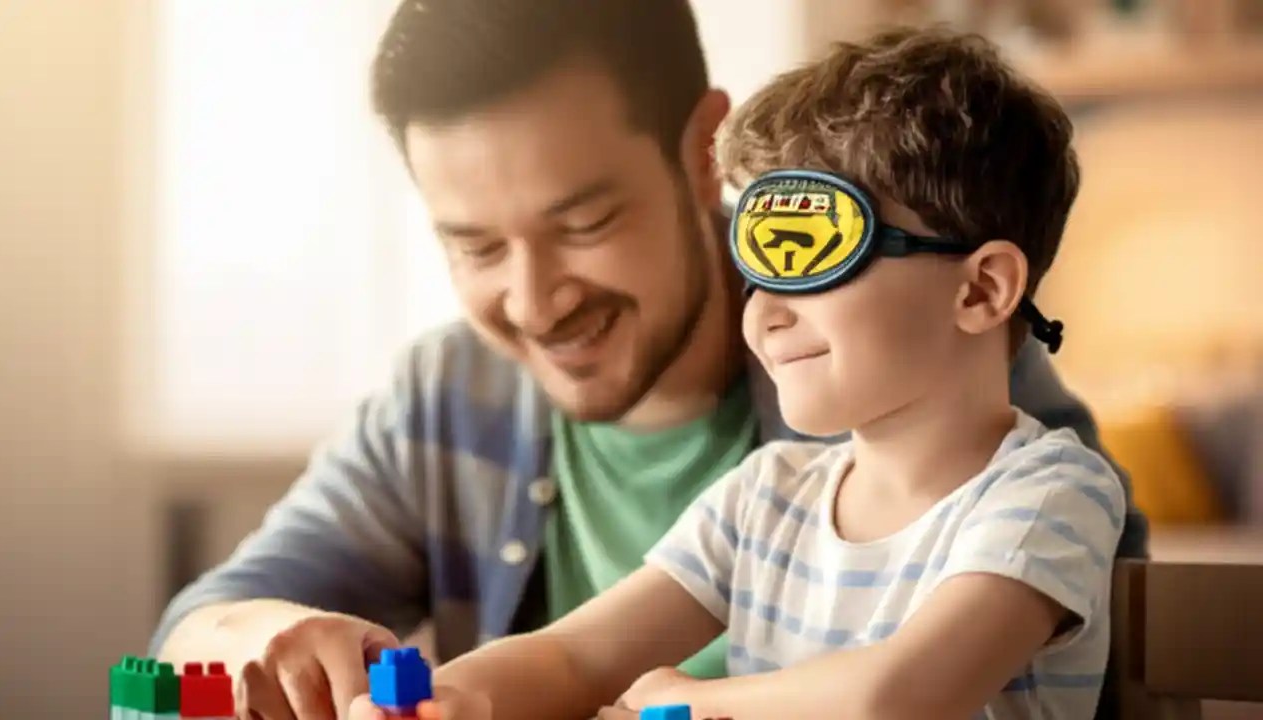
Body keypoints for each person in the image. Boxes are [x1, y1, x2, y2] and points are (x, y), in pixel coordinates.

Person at [151, 2, 1147, 718]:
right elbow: (573, 655)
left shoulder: (1024, 466)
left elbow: (904, 692)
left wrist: (683, 701)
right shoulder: (769, 494)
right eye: (477, 247)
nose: (535, 301)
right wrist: (446, 700)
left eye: (584, 221)